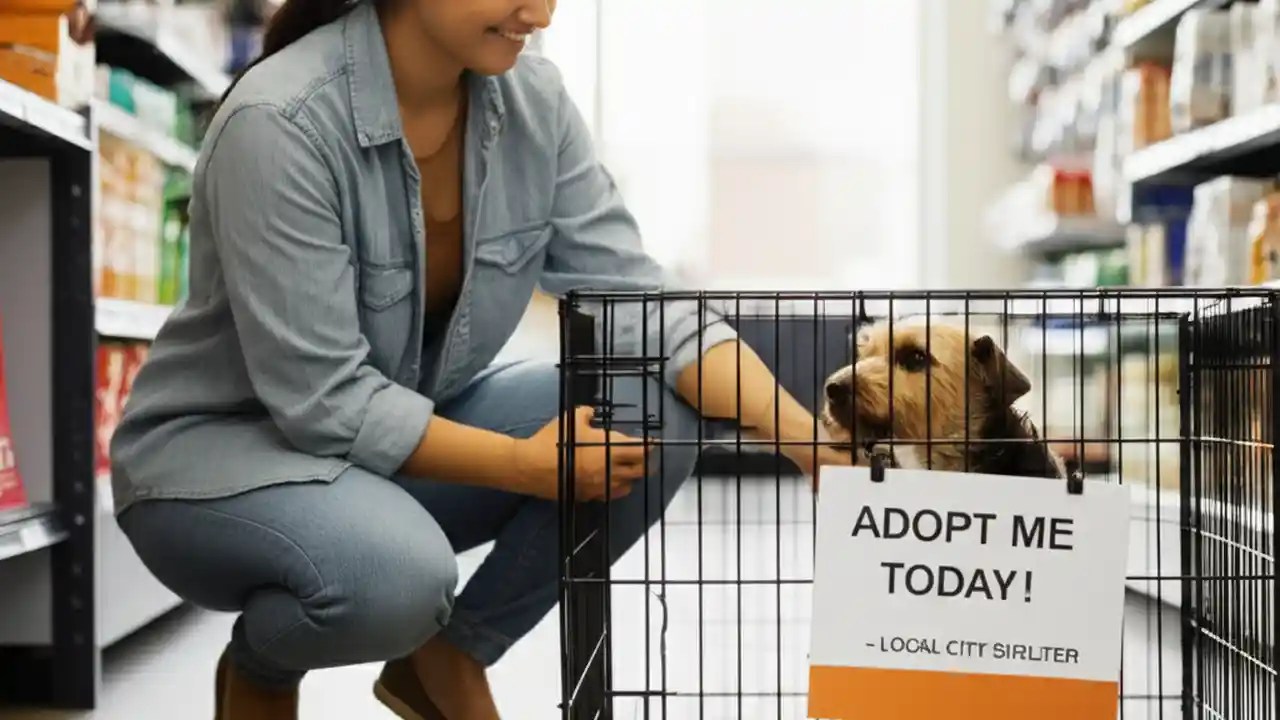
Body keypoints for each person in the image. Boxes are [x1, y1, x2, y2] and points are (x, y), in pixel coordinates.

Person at [109, 0, 849, 718]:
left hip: (384, 443)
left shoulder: (532, 103)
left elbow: (641, 302)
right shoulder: (279, 122)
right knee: (399, 581)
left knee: (649, 421)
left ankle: (450, 657)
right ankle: (264, 664)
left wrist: (806, 441)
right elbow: (326, 400)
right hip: (221, 460)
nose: (543, 14)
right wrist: (526, 464)